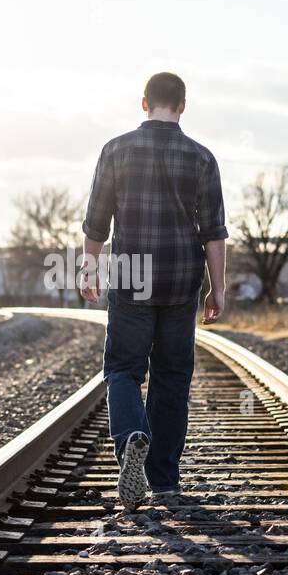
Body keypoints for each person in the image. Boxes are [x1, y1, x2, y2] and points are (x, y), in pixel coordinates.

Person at [80, 71, 228, 507]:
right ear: (182, 105)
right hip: (182, 279)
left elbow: (96, 222)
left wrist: (89, 270)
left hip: (131, 276)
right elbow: (214, 232)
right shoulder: (202, 158)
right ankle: (163, 479)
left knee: (124, 370)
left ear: (143, 103)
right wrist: (218, 289)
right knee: (172, 377)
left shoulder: (115, 150)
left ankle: (131, 437)